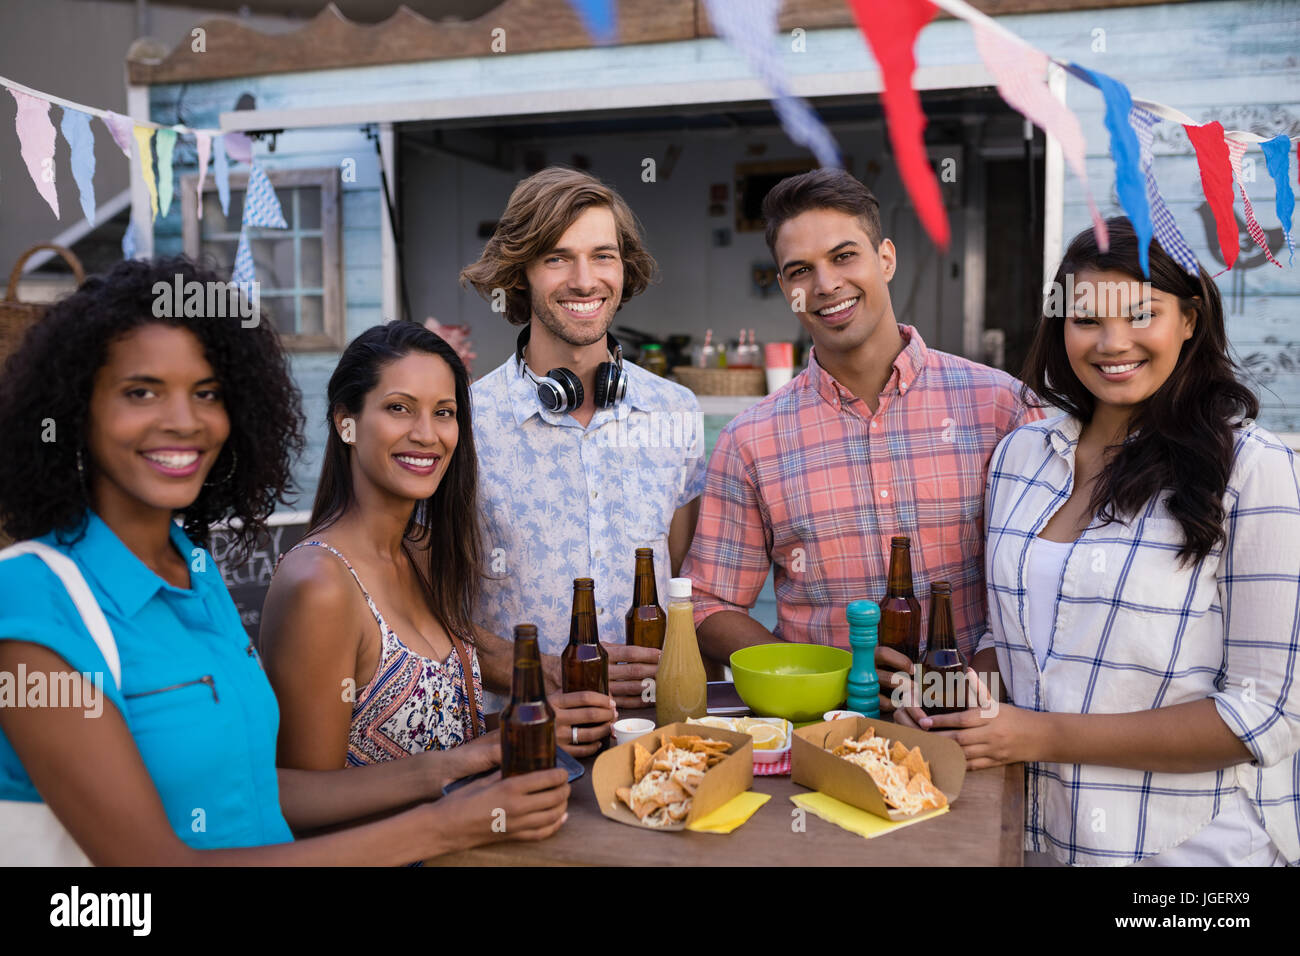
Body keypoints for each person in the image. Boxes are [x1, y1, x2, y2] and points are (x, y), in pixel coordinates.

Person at [0, 258, 568, 864]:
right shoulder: (32, 601)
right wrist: (446, 826)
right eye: (141, 392)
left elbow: (264, 789)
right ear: (74, 409)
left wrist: (454, 766)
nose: (183, 420)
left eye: (207, 393)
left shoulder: (192, 570)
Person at [912, 218, 1300, 866]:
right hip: (1035, 839)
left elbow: (1263, 714)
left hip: (1187, 854)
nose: (1112, 342)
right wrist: (952, 702)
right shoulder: (1020, 458)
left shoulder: (1253, 470)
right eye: (1087, 318)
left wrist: (1035, 735)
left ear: (1190, 320)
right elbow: (1007, 641)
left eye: (1141, 313)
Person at [680, 167, 1042, 709]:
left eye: (845, 256)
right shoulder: (750, 441)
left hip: (979, 726)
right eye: (800, 270)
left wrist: (965, 688)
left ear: (886, 259)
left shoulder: (1001, 407)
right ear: (785, 290)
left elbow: (1041, 580)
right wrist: (814, 676)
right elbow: (709, 602)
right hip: (821, 732)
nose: (825, 285)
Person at [260, 321, 615, 777]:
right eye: (399, 408)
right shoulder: (320, 583)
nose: (427, 435)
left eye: (444, 412)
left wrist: (528, 729)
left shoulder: (423, 553)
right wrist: (482, 753)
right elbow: (298, 799)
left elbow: (437, 736)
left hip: (480, 840)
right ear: (345, 422)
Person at [461, 167, 706, 718]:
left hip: (651, 730)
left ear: (624, 269)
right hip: (517, 738)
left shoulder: (675, 412)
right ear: (519, 272)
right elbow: (420, 606)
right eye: (556, 257)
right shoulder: (464, 423)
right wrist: (534, 670)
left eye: (602, 255)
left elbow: (683, 587)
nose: (583, 279)